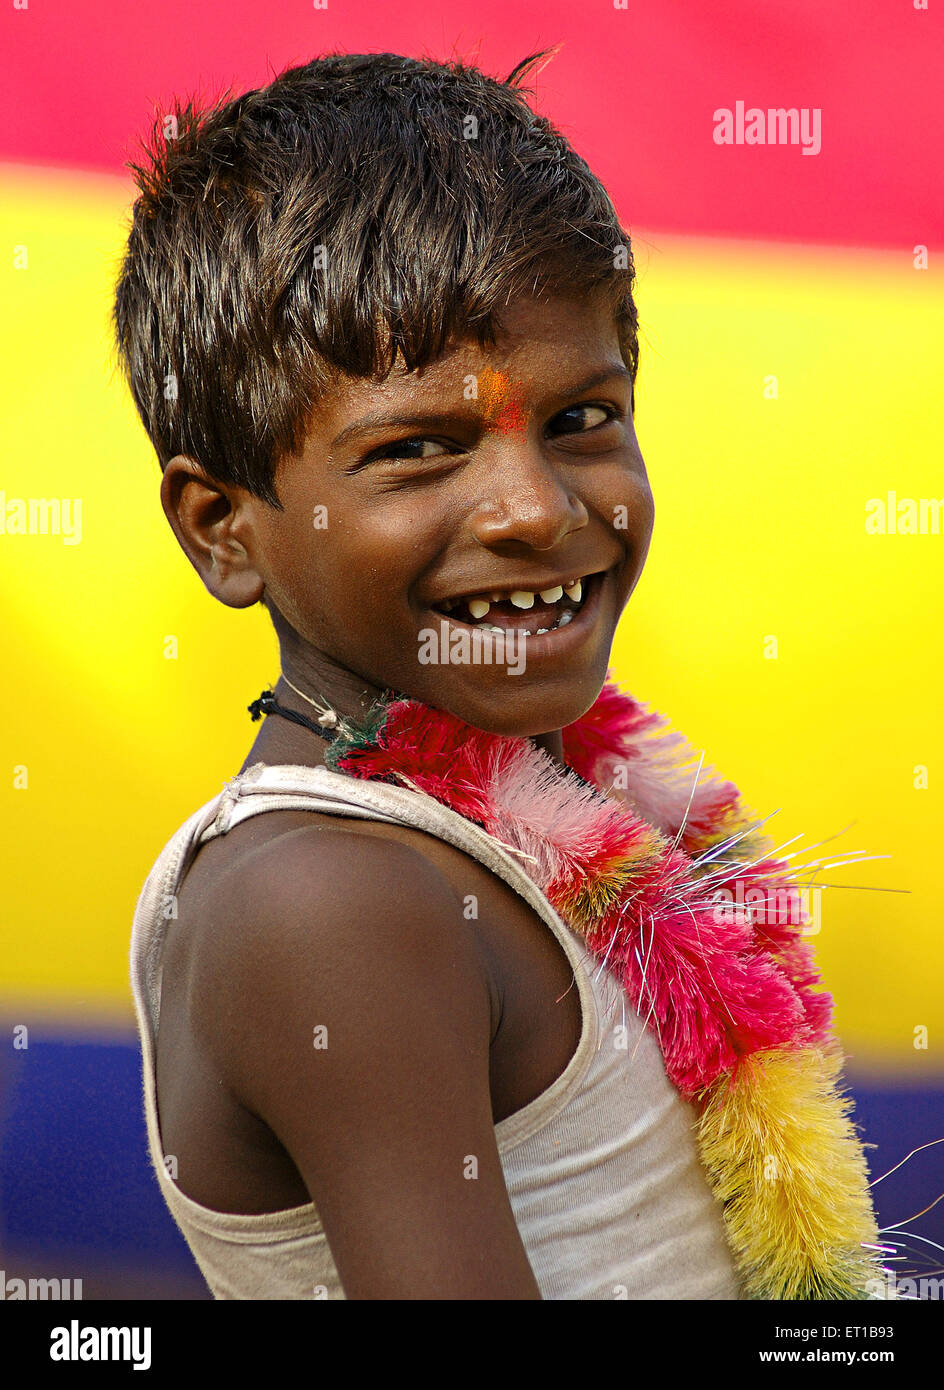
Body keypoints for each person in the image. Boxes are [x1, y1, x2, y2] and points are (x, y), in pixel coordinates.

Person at [117, 50, 882, 1300]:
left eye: (582, 417)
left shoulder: (540, 808)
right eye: (420, 447)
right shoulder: (328, 898)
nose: (534, 511)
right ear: (221, 527)